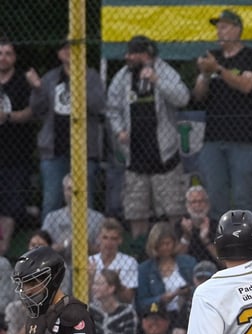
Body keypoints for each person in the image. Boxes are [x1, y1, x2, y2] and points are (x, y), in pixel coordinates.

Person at [106, 35, 190, 240]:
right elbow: (112, 108)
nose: (128, 57)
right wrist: (119, 130)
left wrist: (157, 81)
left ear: (147, 55)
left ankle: (175, 249)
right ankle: (139, 253)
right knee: (136, 211)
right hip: (135, 157)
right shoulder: (123, 76)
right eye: (128, 53)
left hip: (164, 155)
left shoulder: (164, 71)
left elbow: (183, 98)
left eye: (133, 53)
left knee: (172, 210)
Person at [192, 10, 252, 218]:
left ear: (237, 30)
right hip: (214, 138)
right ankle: (221, 245)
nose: (219, 31)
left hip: (245, 137)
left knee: (243, 197)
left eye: (224, 26)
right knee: (216, 196)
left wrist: (217, 69)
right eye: (218, 27)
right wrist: (206, 74)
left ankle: (247, 244)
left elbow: (247, 85)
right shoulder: (211, 57)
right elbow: (198, 95)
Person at [29, 40, 106, 216]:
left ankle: (86, 242)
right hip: (54, 150)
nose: (68, 51)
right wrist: (37, 89)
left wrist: (77, 81)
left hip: (84, 151)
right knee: (52, 201)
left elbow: (98, 105)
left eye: (73, 47)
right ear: (58, 54)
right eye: (64, 48)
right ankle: (46, 241)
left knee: (84, 201)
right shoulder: (50, 78)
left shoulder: (91, 76)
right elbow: (37, 109)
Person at [0, 39, 38, 255]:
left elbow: (32, 112)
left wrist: (7, 116)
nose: (3, 57)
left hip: (16, 155)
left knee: (10, 207)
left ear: (14, 57)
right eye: (0, 53)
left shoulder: (22, 82)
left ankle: (3, 251)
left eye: (8, 53)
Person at [136, 221, 197, 322]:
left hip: (188, 313)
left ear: (174, 243)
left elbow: (199, 287)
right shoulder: (144, 269)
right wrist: (161, 299)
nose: (165, 247)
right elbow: (142, 303)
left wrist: (188, 291)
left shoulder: (188, 262)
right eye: (161, 244)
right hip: (160, 314)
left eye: (168, 243)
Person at [41, 173, 105, 263]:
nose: (73, 193)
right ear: (64, 191)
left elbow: (104, 251)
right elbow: (41, 249)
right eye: (69, 189)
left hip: (89, 266)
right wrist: (66, 244)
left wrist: (86, 245)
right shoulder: (51, 218)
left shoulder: (98, 218)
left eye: (78, 189)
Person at [88, 218, 138, 304]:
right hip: (94, 311)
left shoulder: (130, 262)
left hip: (120, 310)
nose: (108, 243)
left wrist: (116, 282)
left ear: (120, 240)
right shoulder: (90, 261)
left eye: (113, 239)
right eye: (105, 238)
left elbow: (128, 298)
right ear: (99, 239)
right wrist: (90, 279)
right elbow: (83, 299)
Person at [173, 260, 220, 334]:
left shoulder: (222, 298)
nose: (203, 283)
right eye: (200, 279)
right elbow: (178, 331)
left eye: (207, 279)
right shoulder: (189, 302)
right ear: (194, 279)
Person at [176, 185, 219, 263]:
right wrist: (186, 236)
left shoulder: (216, 225)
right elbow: (175, 260)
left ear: (207, 204)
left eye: (201, 201)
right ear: (187, 205)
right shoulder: (180, 225)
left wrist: (205, 240)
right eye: (193, 202)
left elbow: (224, 262)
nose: (197, 205)